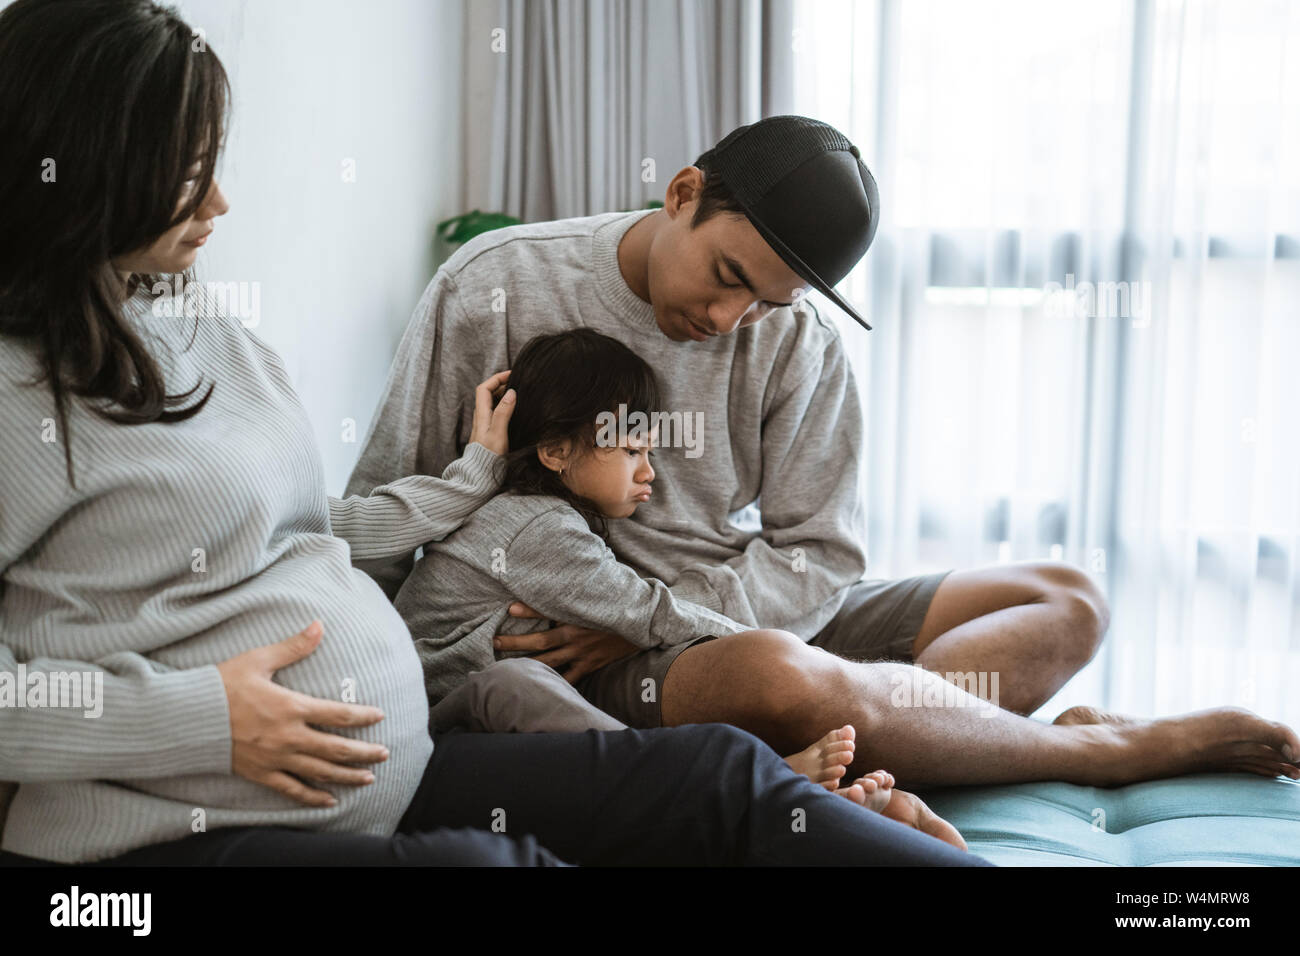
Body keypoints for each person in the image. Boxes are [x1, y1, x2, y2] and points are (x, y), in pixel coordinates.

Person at [0, 0, 989, 867]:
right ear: (86, 170)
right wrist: (199, 716)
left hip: (383, 770)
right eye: (185, 173)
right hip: (147, 849)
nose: (221, 202)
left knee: (717, 776)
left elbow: (316, 525)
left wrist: (469, 478)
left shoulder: (201, 323)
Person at [346, 115, 1300, 788]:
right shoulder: (499, 283)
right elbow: (389, 502)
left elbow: (824, 552)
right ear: (682, 193)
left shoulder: (795, 339)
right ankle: (1099, 751)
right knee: (780, 677)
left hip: (721, 611)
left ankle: (938, 729)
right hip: (587, 647)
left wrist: (671, 619)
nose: (730, 319)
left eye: (766, 301)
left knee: (1064, 600)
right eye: (727, 277)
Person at [398, 327, 953, 835]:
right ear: (555, 451)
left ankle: (731, 779)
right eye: (632, 450)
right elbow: (652, 613)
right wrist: (767, 643)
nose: (649, 472)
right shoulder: (538, 526)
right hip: (438, 719)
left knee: (539, 692)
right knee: (514, 684)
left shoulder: (539, 518)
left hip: (482, 724)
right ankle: (741, 782)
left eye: (651, 452)